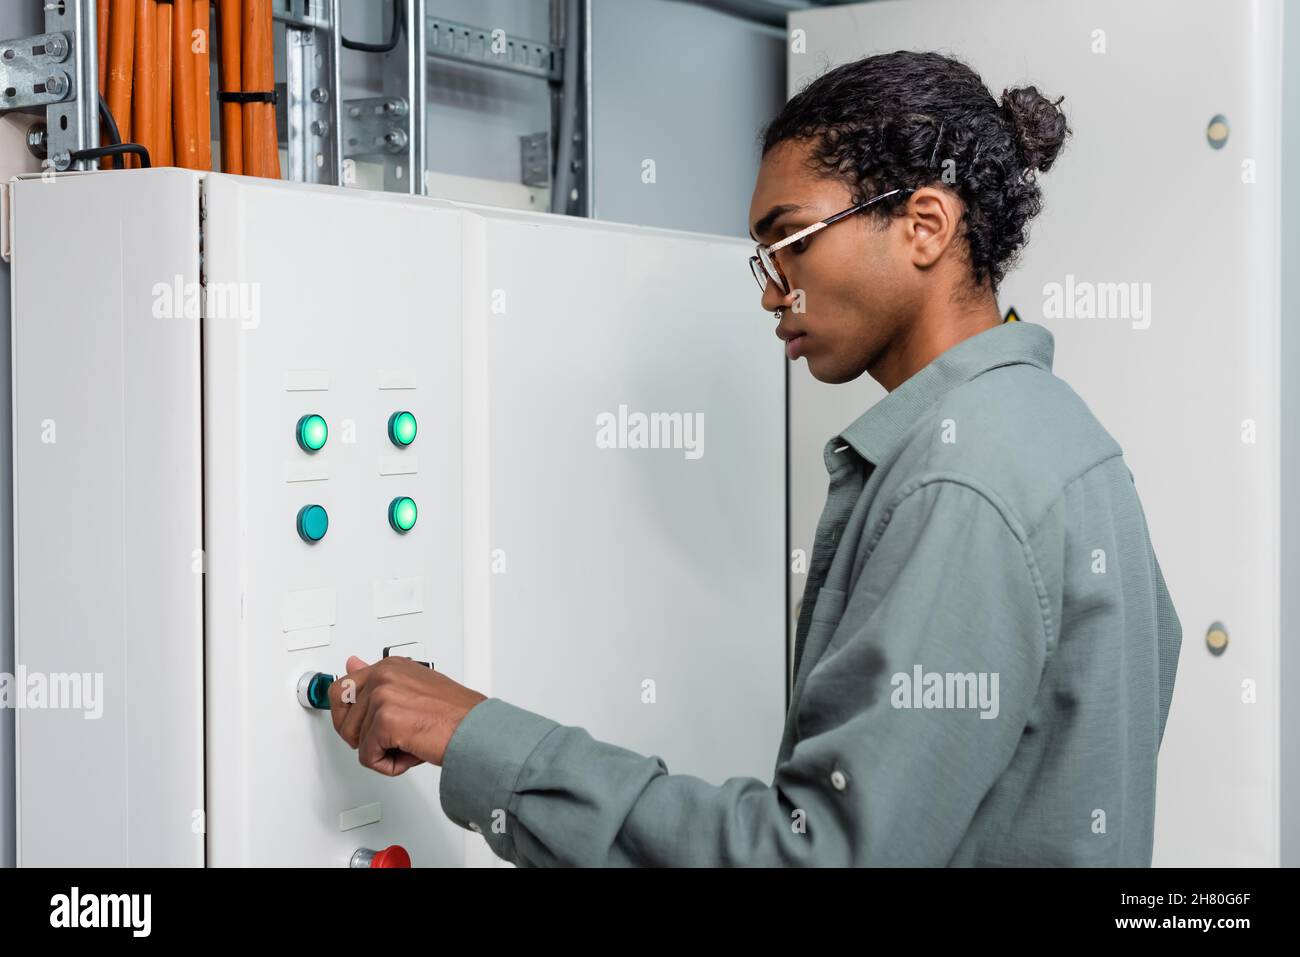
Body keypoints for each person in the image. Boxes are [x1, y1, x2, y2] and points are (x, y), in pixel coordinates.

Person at [328, 50, 1182, 866]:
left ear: (925, 224)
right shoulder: (1061, 438)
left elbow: (814, 857)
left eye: (792, 241)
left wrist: (477, 736)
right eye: (762, 258)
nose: (774, 291)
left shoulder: (962, 482)